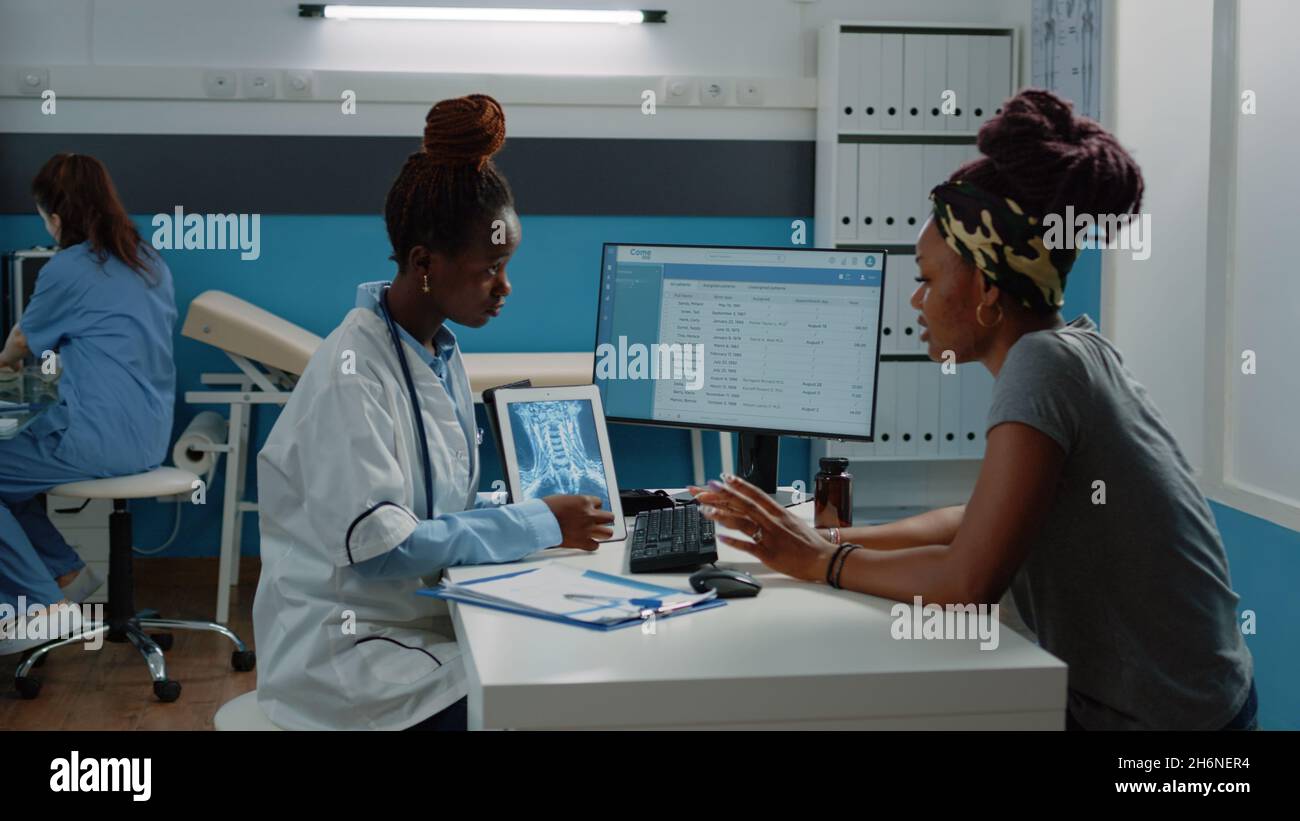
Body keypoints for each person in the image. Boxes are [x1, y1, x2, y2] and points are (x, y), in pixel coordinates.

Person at [692, 89, 1256, 731]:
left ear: (988, 287)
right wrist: (822, 538)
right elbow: (969, 521)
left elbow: (966, 584)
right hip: (1204, 705)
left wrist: (821, 562)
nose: (916, 301)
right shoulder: (1075, 350)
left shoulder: (1043, 366)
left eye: (928, 278)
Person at [253, 94, 614, 731]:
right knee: (548, 707)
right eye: (491, 270)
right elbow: (381, 550)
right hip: (353, 657)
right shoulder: (353, 374)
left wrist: (527, 514)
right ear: (424, 263)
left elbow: (433, 509)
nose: (505, 287)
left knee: (573, 666)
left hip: (419, 623)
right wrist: (536, 523)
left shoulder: (436, 350)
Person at [0, 154, 177, 654]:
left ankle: (38, 605)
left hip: (98, 438)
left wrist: (6, 363)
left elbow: (21, 341)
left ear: (55, 219)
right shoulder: (148, 261)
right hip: (148, 435)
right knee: (13, 481)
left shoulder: (69, 267)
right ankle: (65, 575)